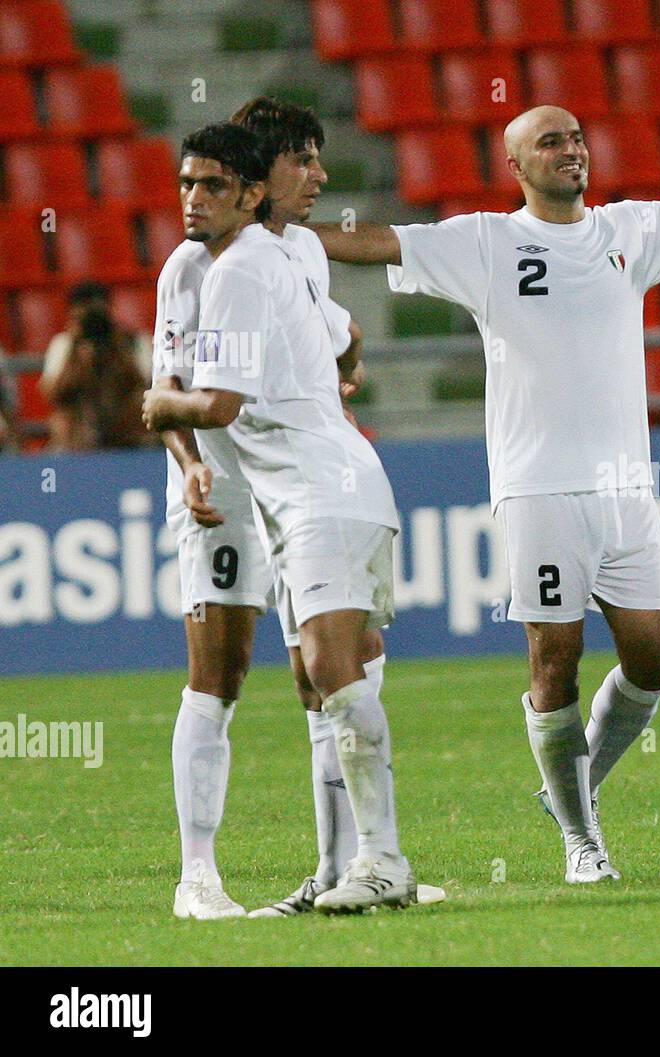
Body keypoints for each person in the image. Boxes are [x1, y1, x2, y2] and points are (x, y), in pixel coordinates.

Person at [309, 104, 660, 883]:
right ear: (515, 165)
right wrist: (277, 235)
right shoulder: (485, 241)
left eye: (576, 138)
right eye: (550, 142)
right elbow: (374, 243)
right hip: (537, 488)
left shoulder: (629, 231)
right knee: (555, 667)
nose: (570, 151)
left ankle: (568, 787)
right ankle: (582, 839)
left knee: (654, 656)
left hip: (625, 488)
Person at [142, 122, 415, 914]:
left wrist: (339, 368)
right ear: (268, 176)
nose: (319, 177)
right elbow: (180, 380)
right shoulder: (194, 267)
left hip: (302, 488)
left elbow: (336, 339)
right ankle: (202, 874)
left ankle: (355, 864)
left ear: (244, 189)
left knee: (326, 672)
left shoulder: (285, 253)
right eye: (305, 160)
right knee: (234, 675)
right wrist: (190, 462)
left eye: (210, 184)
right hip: (229, 491)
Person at [40, 282, 152, 451]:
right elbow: (52, 394)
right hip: (78, 435)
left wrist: (117, 347)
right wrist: (75, 352)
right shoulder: (64, 344)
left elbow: (143, 386)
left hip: (126, 431)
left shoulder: (135, 342)